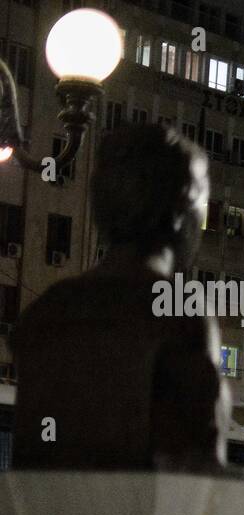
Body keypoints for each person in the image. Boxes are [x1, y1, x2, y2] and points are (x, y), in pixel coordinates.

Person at [13, 124, 229, 472]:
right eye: (203, 202)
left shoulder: (45, 312)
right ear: (180, 209)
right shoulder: (179, 315)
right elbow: (198, 473)